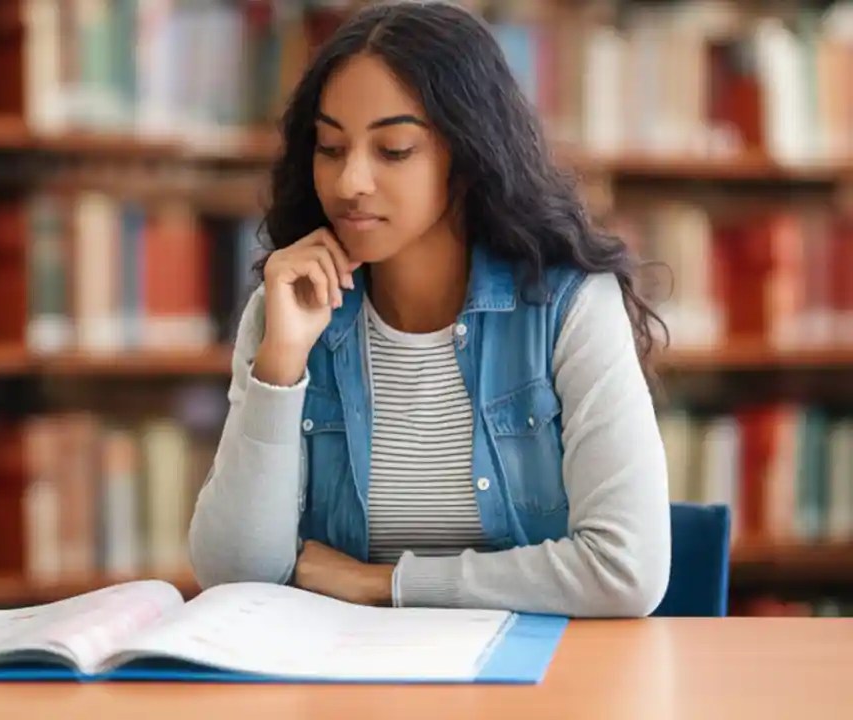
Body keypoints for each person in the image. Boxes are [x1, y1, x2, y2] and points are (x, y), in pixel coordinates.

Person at [187, 0, 672, 617]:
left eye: (392, 150)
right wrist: (280, 365)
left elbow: (626, 570)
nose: (349, 182)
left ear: (467, 157)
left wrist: (383, 583)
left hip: (539, 687)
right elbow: (233, 574)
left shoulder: (569, 307)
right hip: (341, 686)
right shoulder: (286, 309)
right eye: (331, 148)